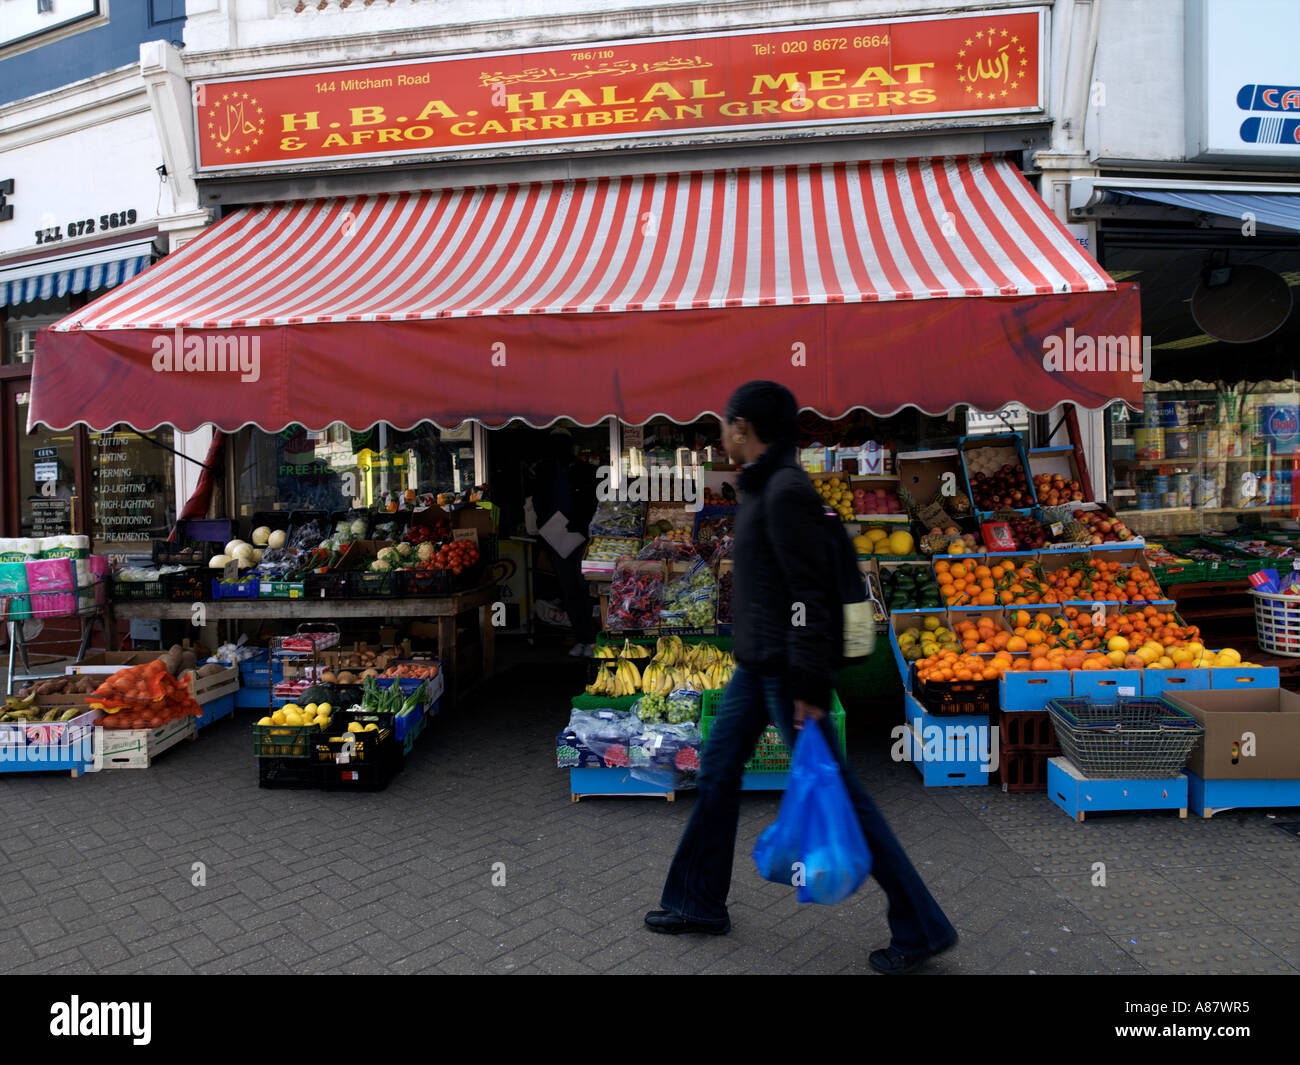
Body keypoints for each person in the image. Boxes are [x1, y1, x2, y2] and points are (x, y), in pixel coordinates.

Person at [645, 380, 959, 974]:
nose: (720, 435)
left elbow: (808, 598)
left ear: (743, 428)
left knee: (842, 794)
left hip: (785, 673)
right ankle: (697, 901)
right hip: (756, 666)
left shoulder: (785, 491)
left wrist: (811, 689)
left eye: (724, 424)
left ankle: (922, 926)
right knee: (716, 776)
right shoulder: (765, 486)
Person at [531, 428, 599, 656]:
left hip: (580, 536)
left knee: (583, 588)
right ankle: (581, 638)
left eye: (562, 443)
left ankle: (590, 639)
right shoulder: (544, 470)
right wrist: (545, 525)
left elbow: (592, 503)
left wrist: (579, 524)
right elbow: (538, 501)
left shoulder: (585, 470)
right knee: (568, 589)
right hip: (555, 535)